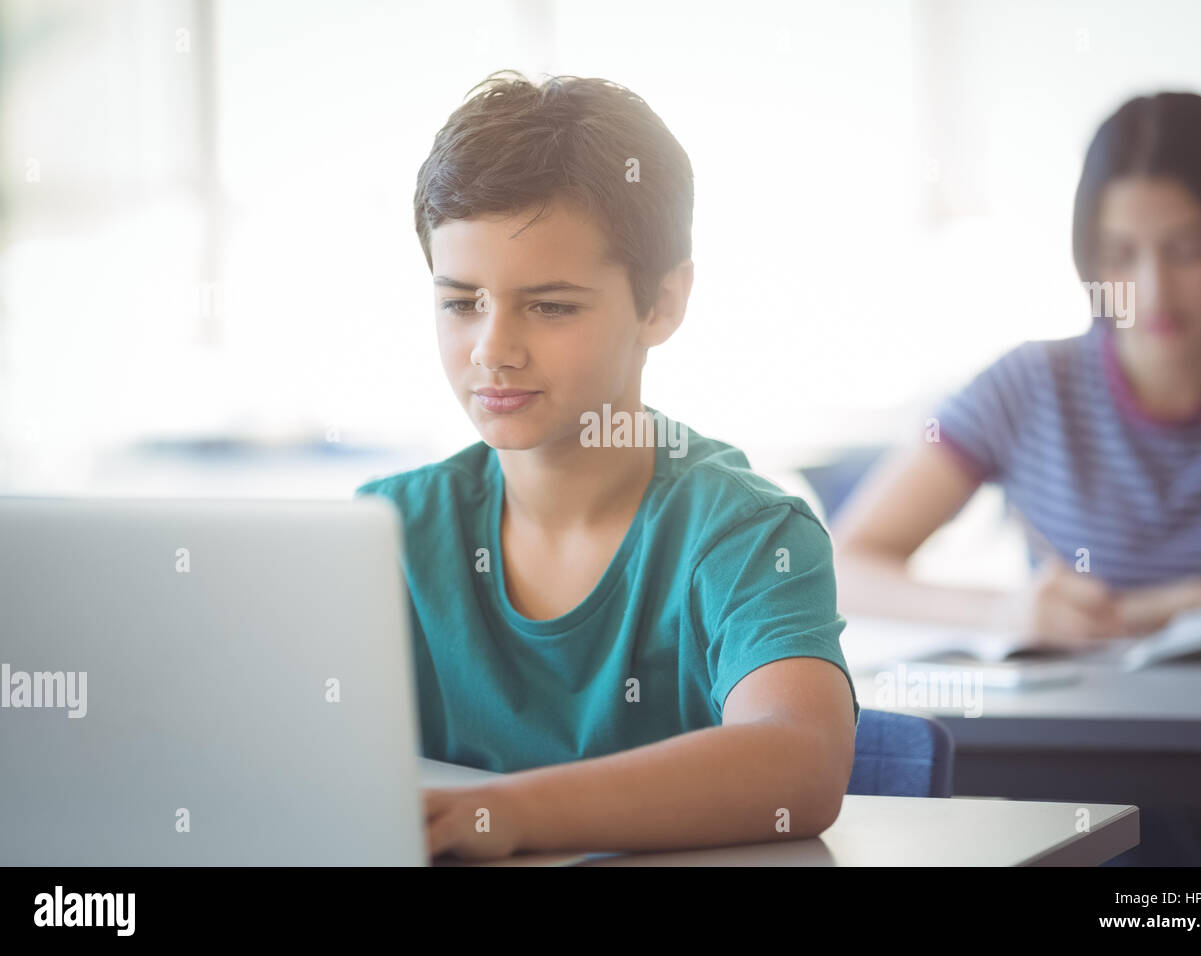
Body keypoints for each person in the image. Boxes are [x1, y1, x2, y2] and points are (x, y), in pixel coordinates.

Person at [357, 71, 859, 862]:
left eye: (551, 306)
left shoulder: (746, 535)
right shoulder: (377, 534)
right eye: (460, 302)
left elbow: (802, 760)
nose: (493, 349)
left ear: (660, 305)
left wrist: (501, 814)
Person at [832, 92, 1201, 652]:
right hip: (1076, 730)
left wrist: (1175, 604)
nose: (1153, 293)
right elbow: (844, 569)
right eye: (1120, 255)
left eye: (1188, 250)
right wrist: (1005, 611)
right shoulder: (1029, 387)